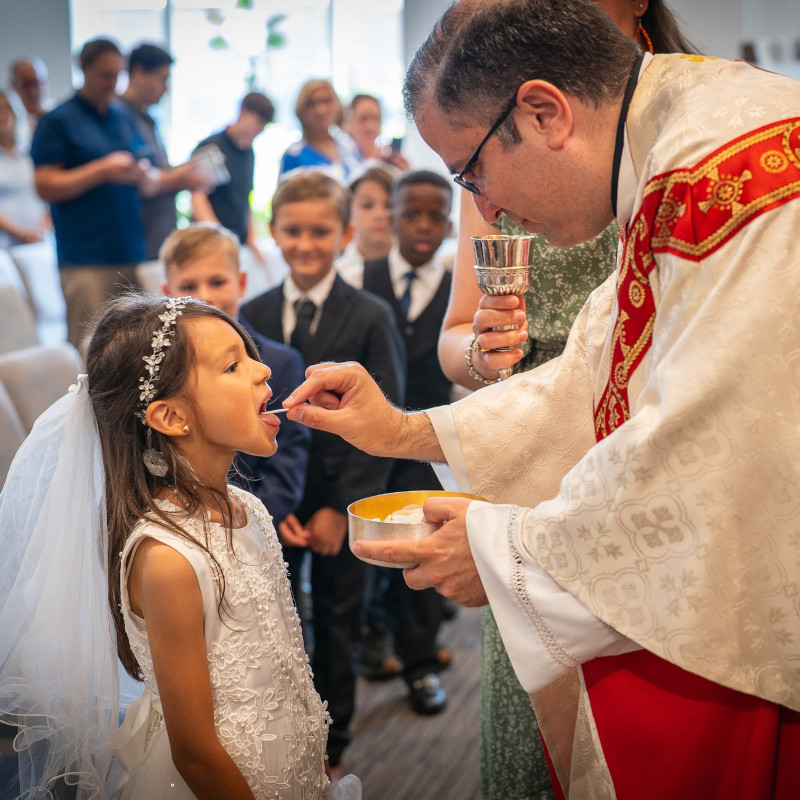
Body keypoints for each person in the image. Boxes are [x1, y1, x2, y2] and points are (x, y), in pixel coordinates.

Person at [276, 1, 800, 797]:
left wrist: (503, 550)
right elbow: (597, 364)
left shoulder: (719, 169)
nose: (483, 211)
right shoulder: (673, 136)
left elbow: (710, 449)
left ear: (544, 111)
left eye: (472, 172)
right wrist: (406, 428)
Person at [438, 2, 697, 797]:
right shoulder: (497, 137)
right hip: (528, 445)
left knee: (649, 704)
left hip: (652, 429)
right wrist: (482, 352)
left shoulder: (682, 119)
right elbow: (452, 341)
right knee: (534, 706)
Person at [0, 292, 363, 799]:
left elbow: (284, 660)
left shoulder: (248, 508)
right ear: (170, 418)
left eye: (250, 356)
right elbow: (194, 750)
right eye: (233, 366)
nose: (262, 371)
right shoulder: (168, 559)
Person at [240, 170, 405, 777]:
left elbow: (385, 416)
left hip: (338, 497)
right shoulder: (250, 313)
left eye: (320, 231)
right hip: (270, 497)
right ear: (272, 232)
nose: (305, 243)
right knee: (276, 617)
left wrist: (343, 505)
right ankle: (280, 730)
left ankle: (332, 743)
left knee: (338, 617)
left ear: (345, 235)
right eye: (292, 230)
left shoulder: (369, 314)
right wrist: (268, 503)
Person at [340, 169, 455, 715]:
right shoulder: (359, 277)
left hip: (427, 441)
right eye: (412, 214)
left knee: (421, 546)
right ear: (392, 216)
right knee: (359, 549)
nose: (424, 226)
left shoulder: (460, 281)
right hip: (364, 442)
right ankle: (369, 642)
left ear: (450, 222)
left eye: (436, 216)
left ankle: (422, 664)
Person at [160, 222, 310, 533]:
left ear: (241, 283)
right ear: (166, 293)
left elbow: (287, 463)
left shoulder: (280, 363)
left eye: (217, 282)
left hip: (257, 525)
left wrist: (247, 521)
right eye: (188, 286)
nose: (203, 297)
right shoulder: (159, 369)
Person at [30, 37, 157, 353]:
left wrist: (140, 172)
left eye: (118, 75)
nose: (113, 84)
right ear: (84, 69)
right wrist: (100, 170)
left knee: (135, 346)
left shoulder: (123, 116)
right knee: (90, 349)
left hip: (130, 249)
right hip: (85, 257)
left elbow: (142, 165)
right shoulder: (58, 121)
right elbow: (45, 184)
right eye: (105, 75)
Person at [120, 43, 214, 261]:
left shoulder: (148, 120)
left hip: (156, 240)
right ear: (138, 73)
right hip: (135, 245)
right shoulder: (120, 118)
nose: (166, 88)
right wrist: (177, 177)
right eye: (162, 79)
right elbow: (136, 178)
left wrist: (183, 174)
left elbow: (157, 171)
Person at [190, 91, 275, 261]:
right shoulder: (211, 146)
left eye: (263, 126)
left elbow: (246, 199)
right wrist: (219, 236)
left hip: (237, 245)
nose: (258, 130)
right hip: (210, 245)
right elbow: (198, 198)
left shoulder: (249, 152)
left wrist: (252, 239)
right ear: (243, 111)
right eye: (257, 122)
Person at [279, 80, 361, 182]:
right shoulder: (294, 155)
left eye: (326, 101)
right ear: (302, 110)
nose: (321, 110)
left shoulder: (348, 146)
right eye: (312, 104)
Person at [0, 89, 49, 249]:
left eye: (7, 108)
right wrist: (21, 233)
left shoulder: (30, 151)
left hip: (39, 239)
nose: (3, 115)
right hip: (6, 245)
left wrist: (42, 229)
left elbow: (46, 192)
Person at [334, 163, 395, 277]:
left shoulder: (414, 269)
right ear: (349, 210)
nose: (379, 215)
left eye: (389, 205)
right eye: (367, 205)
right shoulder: (337, 274)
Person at [345, 94, 409, 172]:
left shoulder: (386, 158)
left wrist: (405, 173)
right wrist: (373, 163)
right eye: (363, 119)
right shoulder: (340, 154)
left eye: (376, 119)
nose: (370, 127)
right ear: (349, 122)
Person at [8, 56, 52, 143]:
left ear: (47, 81)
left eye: (37, 83)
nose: (32, 91)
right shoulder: (7, 121)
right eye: (26, 84)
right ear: (13, 85)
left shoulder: (61, 114)